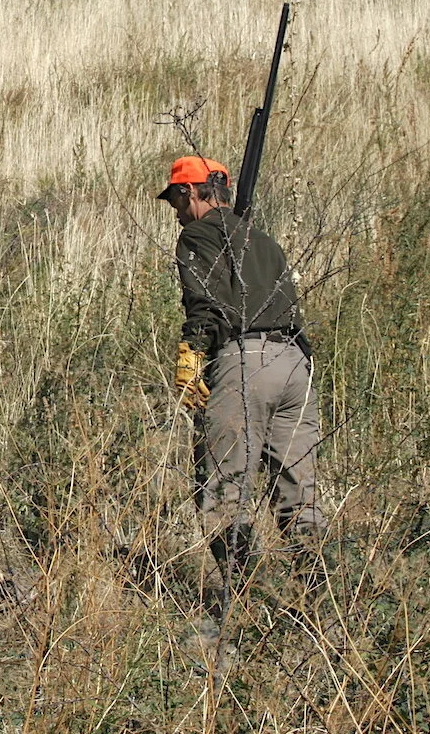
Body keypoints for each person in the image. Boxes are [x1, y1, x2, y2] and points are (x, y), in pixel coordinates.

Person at [158, 155, 324, 591]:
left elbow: (205, 301)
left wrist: (192, 354)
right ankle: (317, 603)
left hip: (246, 364)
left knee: (222, 491)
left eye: (175, 200)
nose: (176, 212)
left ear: (189, 192)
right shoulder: (264, 240)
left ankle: (245, 600)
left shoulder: (197, 235)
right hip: (296, 368)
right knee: (299, 498)